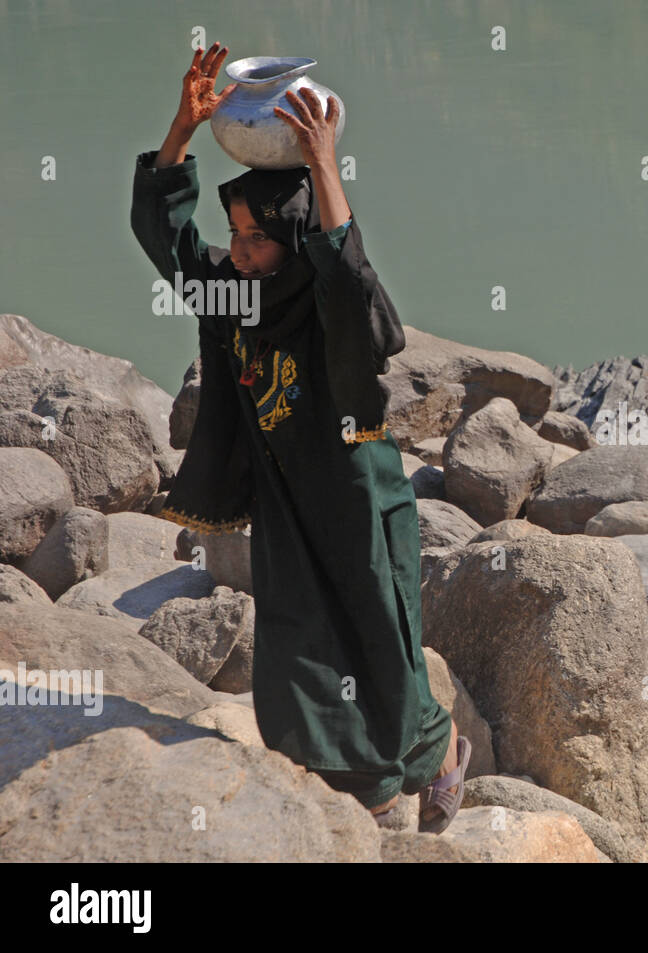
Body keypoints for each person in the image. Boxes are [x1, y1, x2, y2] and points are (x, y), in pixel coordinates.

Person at [130, 42, 469, 830]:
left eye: (255, 239)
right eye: (234, 237)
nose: (239, 254)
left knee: (380, 647)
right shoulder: (236, 297)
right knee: (297, 644)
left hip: (357, 497)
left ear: (292, 239)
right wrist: (182, 128)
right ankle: (352, 788)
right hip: (286, 501)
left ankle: (441, 749)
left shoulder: (323, 304)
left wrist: (324, 168)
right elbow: (167, 238)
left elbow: (354, 287)